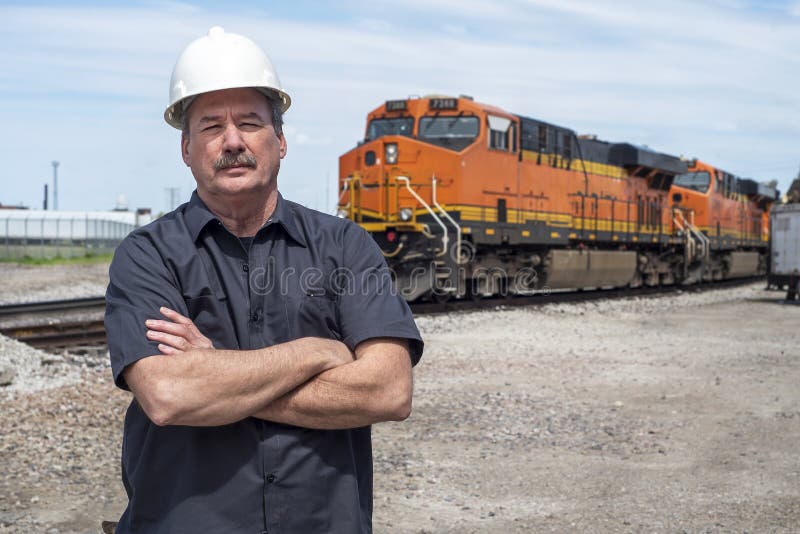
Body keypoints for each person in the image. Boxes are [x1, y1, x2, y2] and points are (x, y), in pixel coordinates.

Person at [104, 27, 423, 534]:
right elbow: (168, 396)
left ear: (281, 142)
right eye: (210, 126)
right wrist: (317, 352)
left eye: (250, 123)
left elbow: (387, 391)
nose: (232, 141)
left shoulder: (346, 247)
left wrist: (215, 378)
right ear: (186, 149)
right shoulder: (147, 255)